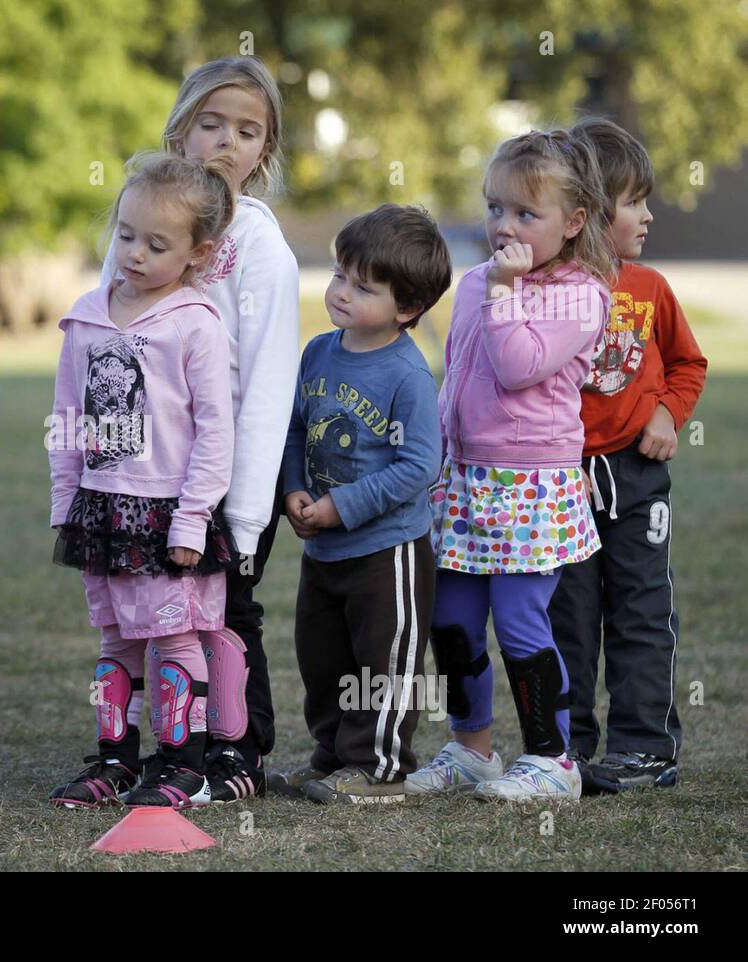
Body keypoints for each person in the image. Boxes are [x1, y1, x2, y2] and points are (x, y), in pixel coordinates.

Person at [101, 57, 299, 801]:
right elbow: (107, 348)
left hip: (227, 472)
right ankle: (173, 748)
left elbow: (271, 382)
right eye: (211, 122)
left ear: (263, 151)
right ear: (180, 127)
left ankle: (238, 749)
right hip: (145, 470)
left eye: (247, 131)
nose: (225, 141)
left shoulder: (261, 248)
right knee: (157, 608)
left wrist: (245, 508)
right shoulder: (141, 224)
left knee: (227, 610)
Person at [406, 128, 613, 802]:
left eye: (527, 213)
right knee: (453, 621)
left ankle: (552, 761)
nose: (505, 225)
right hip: (465, 481)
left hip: (531, 488)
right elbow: (457, 374)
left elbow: (517, 363)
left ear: (574, 222)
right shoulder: (477, 283)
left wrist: (504, 290)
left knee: (521, 621)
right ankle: (473, 750)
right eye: (496, 208)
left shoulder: (581, 296)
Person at [49, 153, 237, 809]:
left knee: (174, 635)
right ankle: (115, 763)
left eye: (157, 245)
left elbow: (217, 430)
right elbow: (68, 419)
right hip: (101, 509)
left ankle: (185, 767)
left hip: (168, 514)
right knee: (116, 637)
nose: (134, 253)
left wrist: (192, 518)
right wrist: (64, 502)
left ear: (197, 251)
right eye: (126, 234)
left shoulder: (195, 323)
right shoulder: (86, 316)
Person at [548, 117, 707, 793]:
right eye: (634, 201)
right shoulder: (546, 291)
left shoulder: (650, 290)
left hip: (635, 479)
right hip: (560, 484)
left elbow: (688, 365)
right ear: (586, 210)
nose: (647, 215)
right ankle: (565, 748)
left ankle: (645, 747)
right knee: (569, 620)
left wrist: (669, 415)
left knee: (641, 612)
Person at [272, 204, 449, 804]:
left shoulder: (407, 375)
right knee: (322, 659)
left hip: (386, 551)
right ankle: (331, 755)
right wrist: (295, 489)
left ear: (406, 309)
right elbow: (296, 429)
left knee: (382, 663)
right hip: (323, 548)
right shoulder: (319, 351)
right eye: (339, 275)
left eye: (362, 286)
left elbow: (420, 466)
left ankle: (378, 765)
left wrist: (339, 507)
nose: (341, 292)